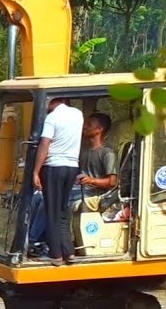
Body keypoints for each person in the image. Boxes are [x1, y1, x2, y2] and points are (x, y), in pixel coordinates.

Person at [32, 97, 83, 265]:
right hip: (72, 167)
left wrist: (36, 171)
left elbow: (45, 144)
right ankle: (69, 252)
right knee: (62, 212)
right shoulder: (78, 114)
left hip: (54, 167)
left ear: (51, 101)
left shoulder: (52, 118)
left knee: (51, 212)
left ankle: (55, 255)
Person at [78, 112, 118, 212]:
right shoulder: (84, 150)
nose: (85, 127)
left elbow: (112, 182)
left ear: (99, 130)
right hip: (81, 189)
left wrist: (90, 180)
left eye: (89, 125)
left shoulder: (107, 153)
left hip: (96, 194)